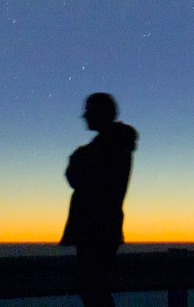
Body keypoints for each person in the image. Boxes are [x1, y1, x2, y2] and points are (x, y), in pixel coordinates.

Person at [60, 92, 138, 307]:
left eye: (88, 111)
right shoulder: (114, 144)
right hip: (102, 229)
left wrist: (78, 158)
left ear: (100, 113)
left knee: (93, 291)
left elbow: (79, 178)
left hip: (95, 230)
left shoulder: (107, 147)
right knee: (96, 290)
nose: (84, 116)